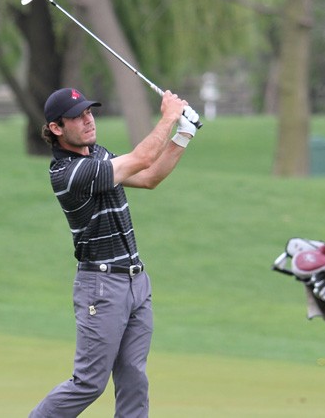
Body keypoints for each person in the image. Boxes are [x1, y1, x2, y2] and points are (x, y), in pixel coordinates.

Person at [29, 87, 199, 418]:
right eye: (77, 116)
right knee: (89, 383)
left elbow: (149, 177)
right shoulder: (69, 173)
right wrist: (168, 116)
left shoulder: (98, 155)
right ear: (56, 128)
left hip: (136, 282)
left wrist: (184, 134)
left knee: (134, 380)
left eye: (89, 112)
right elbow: (142, 158)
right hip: (102, 288)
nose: (88, 119)